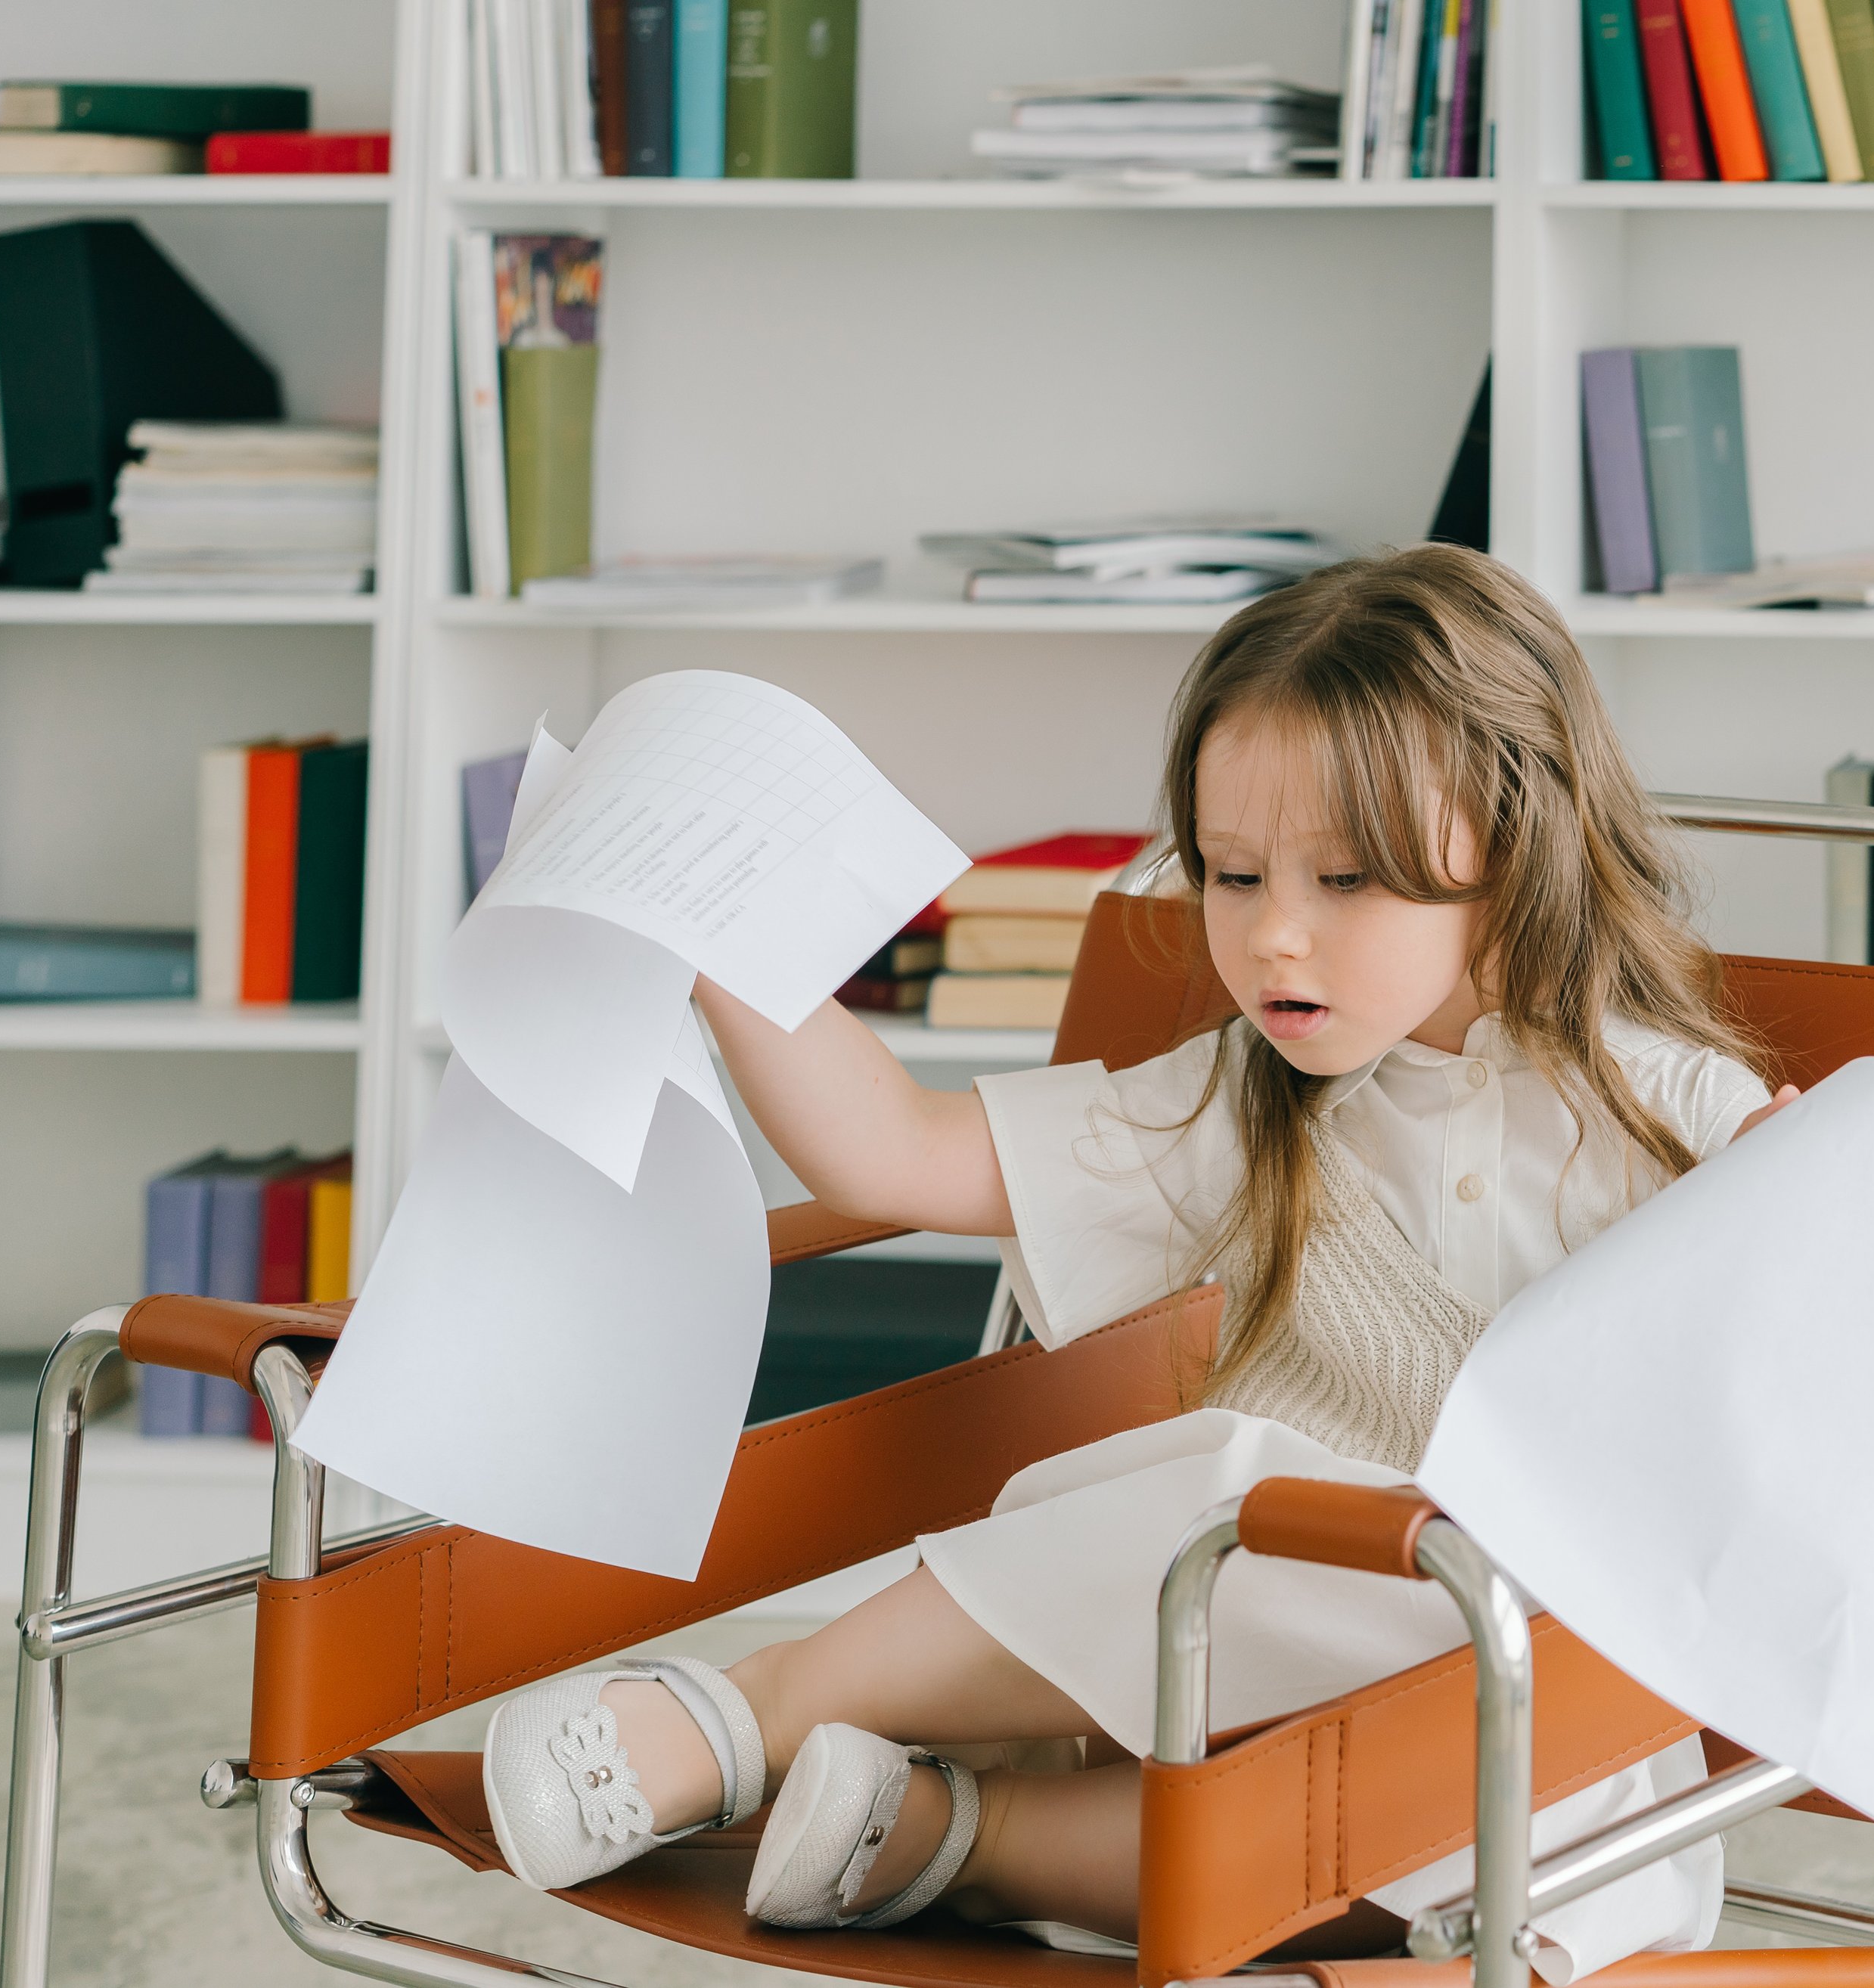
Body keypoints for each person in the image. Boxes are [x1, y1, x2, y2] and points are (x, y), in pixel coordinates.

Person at [475, 544, 1798, 1975]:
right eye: (1232, 874)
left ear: (1514, 843)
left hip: (1515, 1724)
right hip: (1211, 1655)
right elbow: (898, 1152)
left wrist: (1803, 1234)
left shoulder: (1680, 1123)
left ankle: (955, 1841)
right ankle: (749, 1711)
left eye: (1344, 877)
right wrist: (706, 941)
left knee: (1546, 1817)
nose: (1272, 931)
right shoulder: (1236, 1104)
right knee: (1238, 1492)